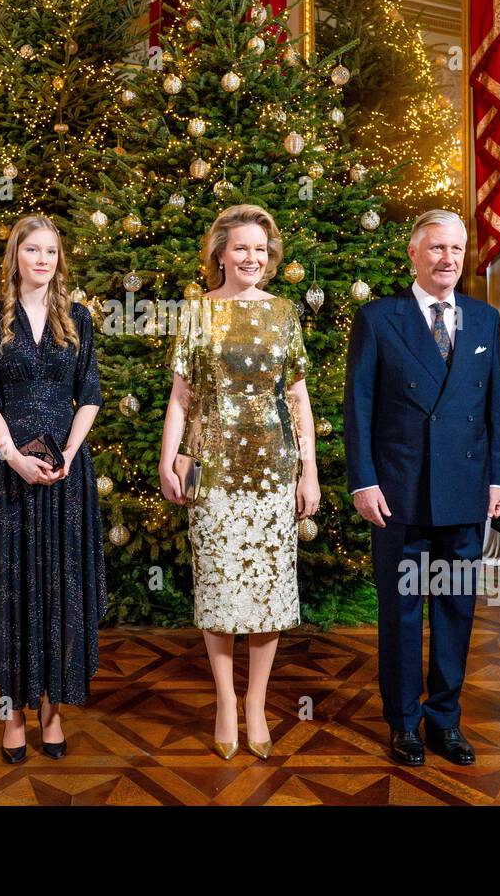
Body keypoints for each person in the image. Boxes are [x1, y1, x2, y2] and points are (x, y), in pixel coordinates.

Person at [342, 209, 500, 767]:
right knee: (402, 610)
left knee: (457, 608)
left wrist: (497, 479)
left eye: (457, 250)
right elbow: (358, 407)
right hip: (399, 493)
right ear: (413, 254)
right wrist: (363, 480)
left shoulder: (486, 320)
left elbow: (493, 413)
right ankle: (404, 723)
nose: (448, 260)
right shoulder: (379, 318)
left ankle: (445, 720)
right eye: (436, 249)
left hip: (464, 492)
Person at [159, 204, 320, 760]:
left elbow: (298, 398)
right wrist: (169, 459)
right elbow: (183, 397)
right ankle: (226, 700)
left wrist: (309, 471)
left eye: (261, 249)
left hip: (274, 471)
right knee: (221, 589)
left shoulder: (284, 314)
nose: (252, 257)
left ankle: (257, 703)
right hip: (214, 470)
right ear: (220, 254)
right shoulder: (197, 313)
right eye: (241, 248)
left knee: (270, 594)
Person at [0, 214, 106, 764]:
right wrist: (12, 455)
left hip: (67, 476)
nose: (42, 260)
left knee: (59, 590)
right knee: (14, 590)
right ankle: (13, 714)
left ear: (58, 260)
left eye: (50, 251)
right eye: (32, 250)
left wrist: (69, 454)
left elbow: (89, 391)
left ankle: (52, 712)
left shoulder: (79, 320)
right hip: (10, 474)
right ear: (15, 258)